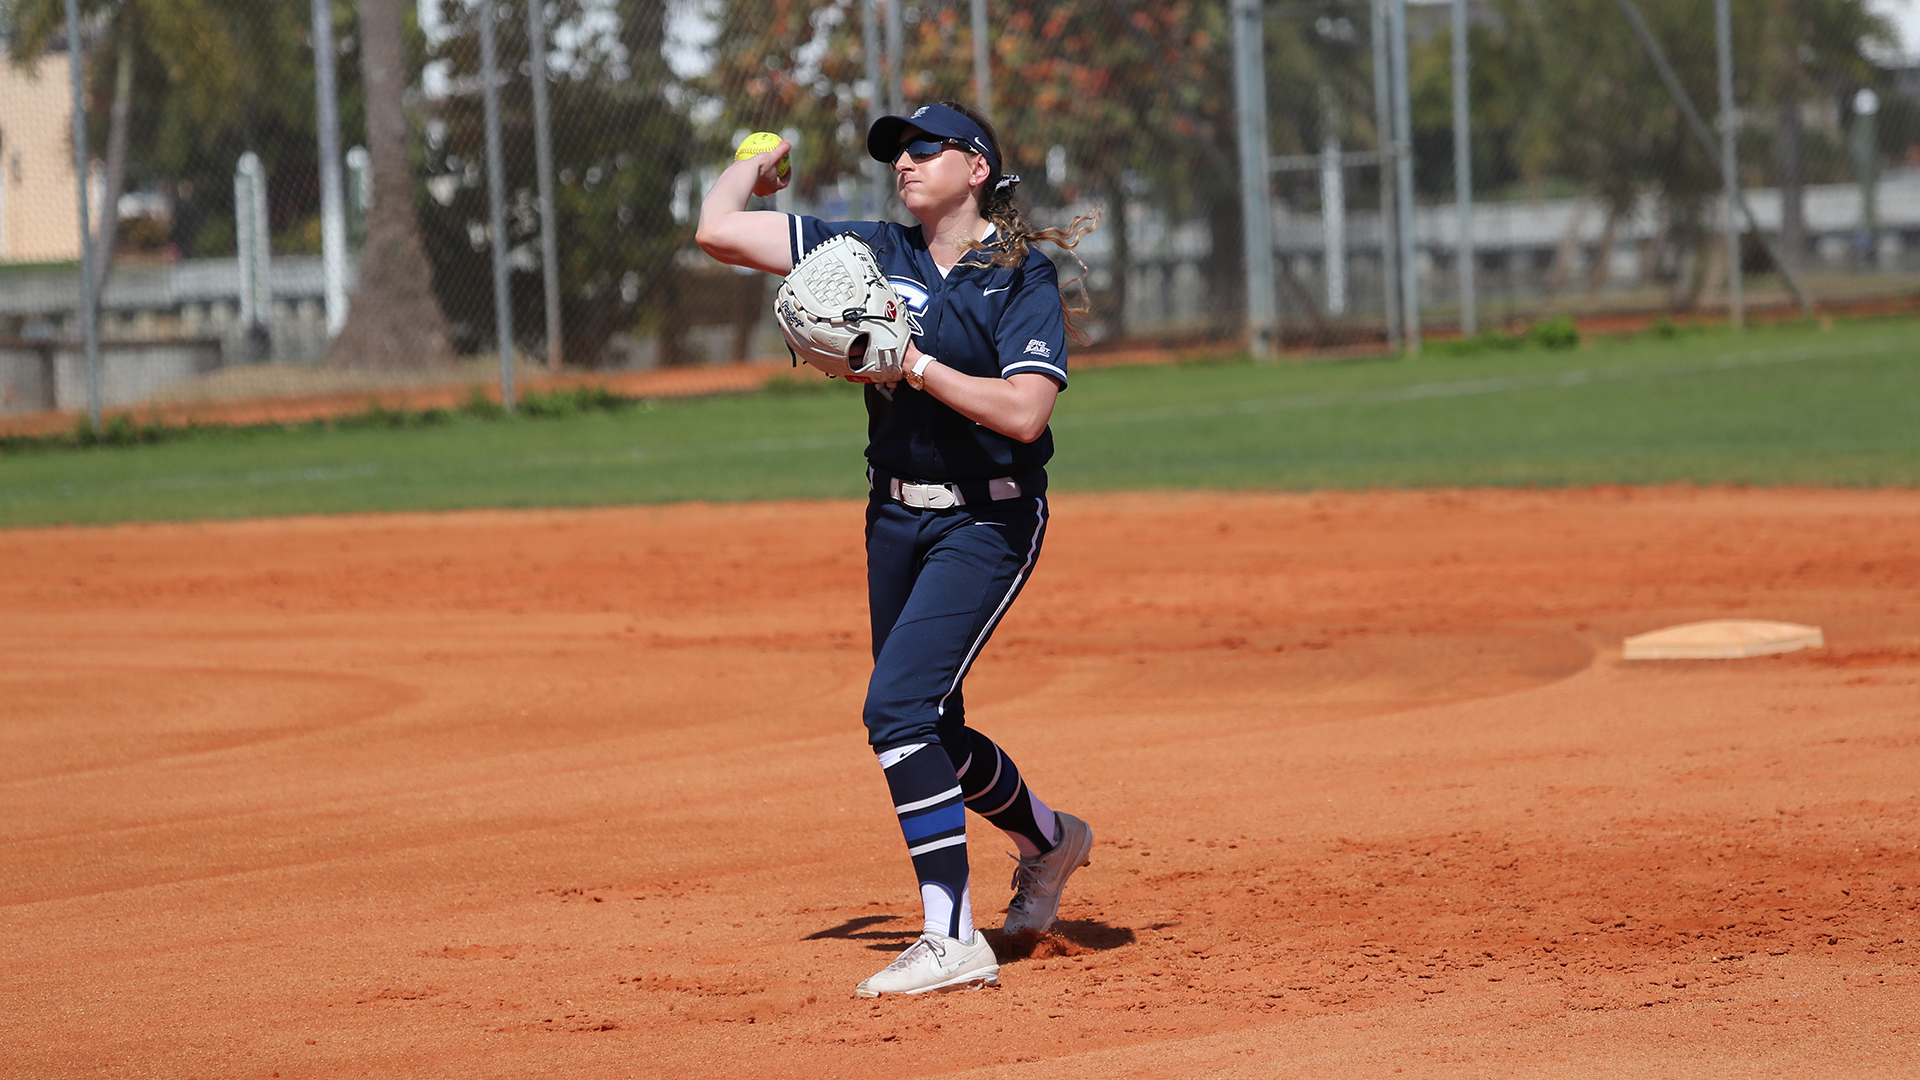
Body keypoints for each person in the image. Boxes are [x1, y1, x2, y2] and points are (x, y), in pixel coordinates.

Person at [696, 102, 1098, 997]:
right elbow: (717, 231)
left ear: (979, 167)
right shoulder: (869, 249)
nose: (905, 163)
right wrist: (754, 164)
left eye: (925, 148)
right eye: (896, 153)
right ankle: (1047, 839)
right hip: (893, 517)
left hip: (987, 519)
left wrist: (912, 363)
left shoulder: (1017, 275)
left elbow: (1025, 410)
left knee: (898, 712)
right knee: (933, 726)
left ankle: (950, 936)